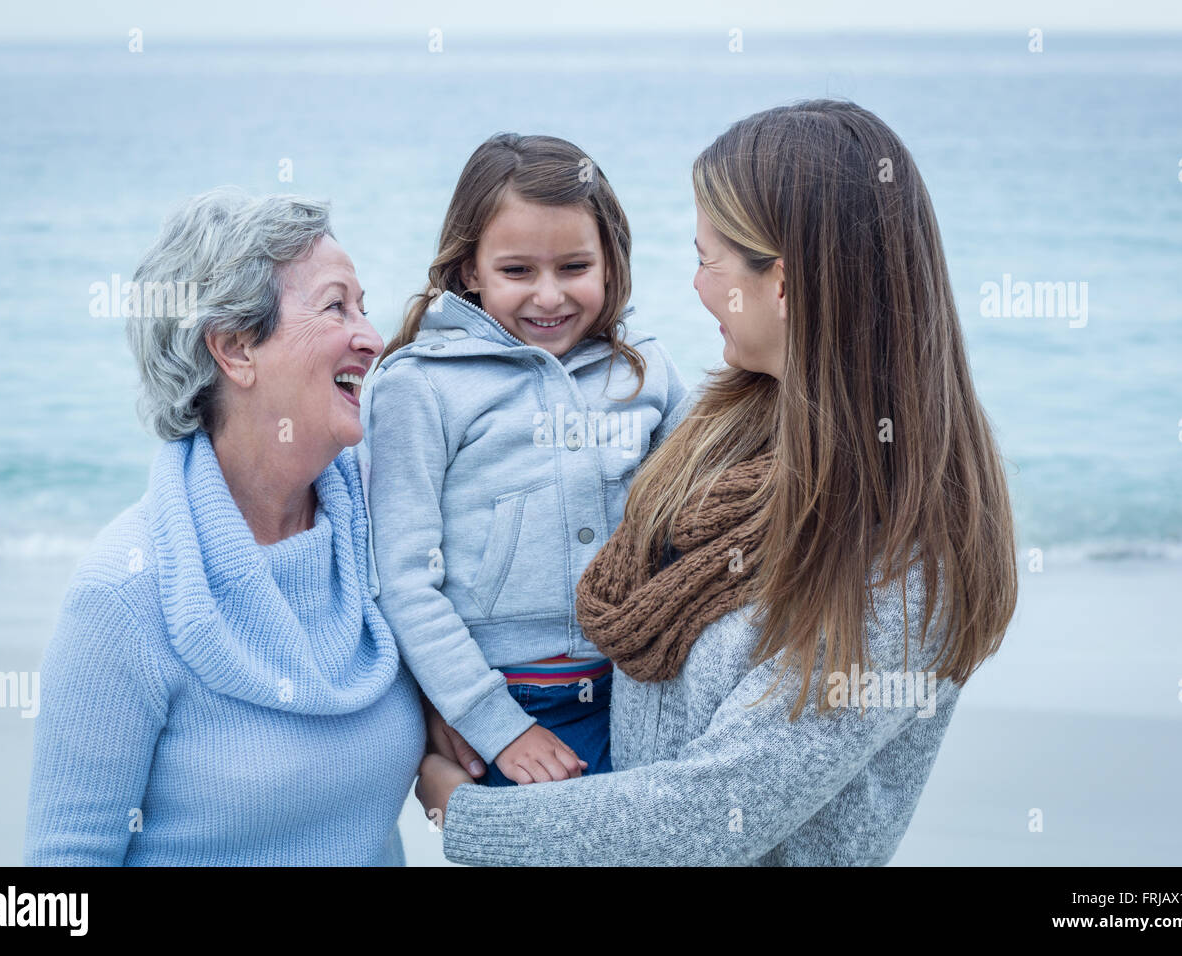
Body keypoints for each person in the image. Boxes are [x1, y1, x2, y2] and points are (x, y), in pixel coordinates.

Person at [415, 100, 1018, 865]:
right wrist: (471, 702)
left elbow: (713, 809)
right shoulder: (721, 438)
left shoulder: (902, 566)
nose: (696, 287)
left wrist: (459, 811)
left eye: (708, 259)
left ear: (783, 285)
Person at [24, 188, 425, 865]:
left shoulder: (383, 530)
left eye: (363, 306)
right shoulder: (122, 598)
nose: (372, 338)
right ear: (236, 348)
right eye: (336, 307)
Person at [364, 133, 689, 787]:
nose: (549, 296)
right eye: (517, 271)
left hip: (641, 689)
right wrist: (495, 723)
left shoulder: (646, 368)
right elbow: (402, 581)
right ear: (470, 270)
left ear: (609, 262)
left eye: (574, 267)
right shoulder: (419, 386)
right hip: (507, 707)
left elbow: (702, 506)